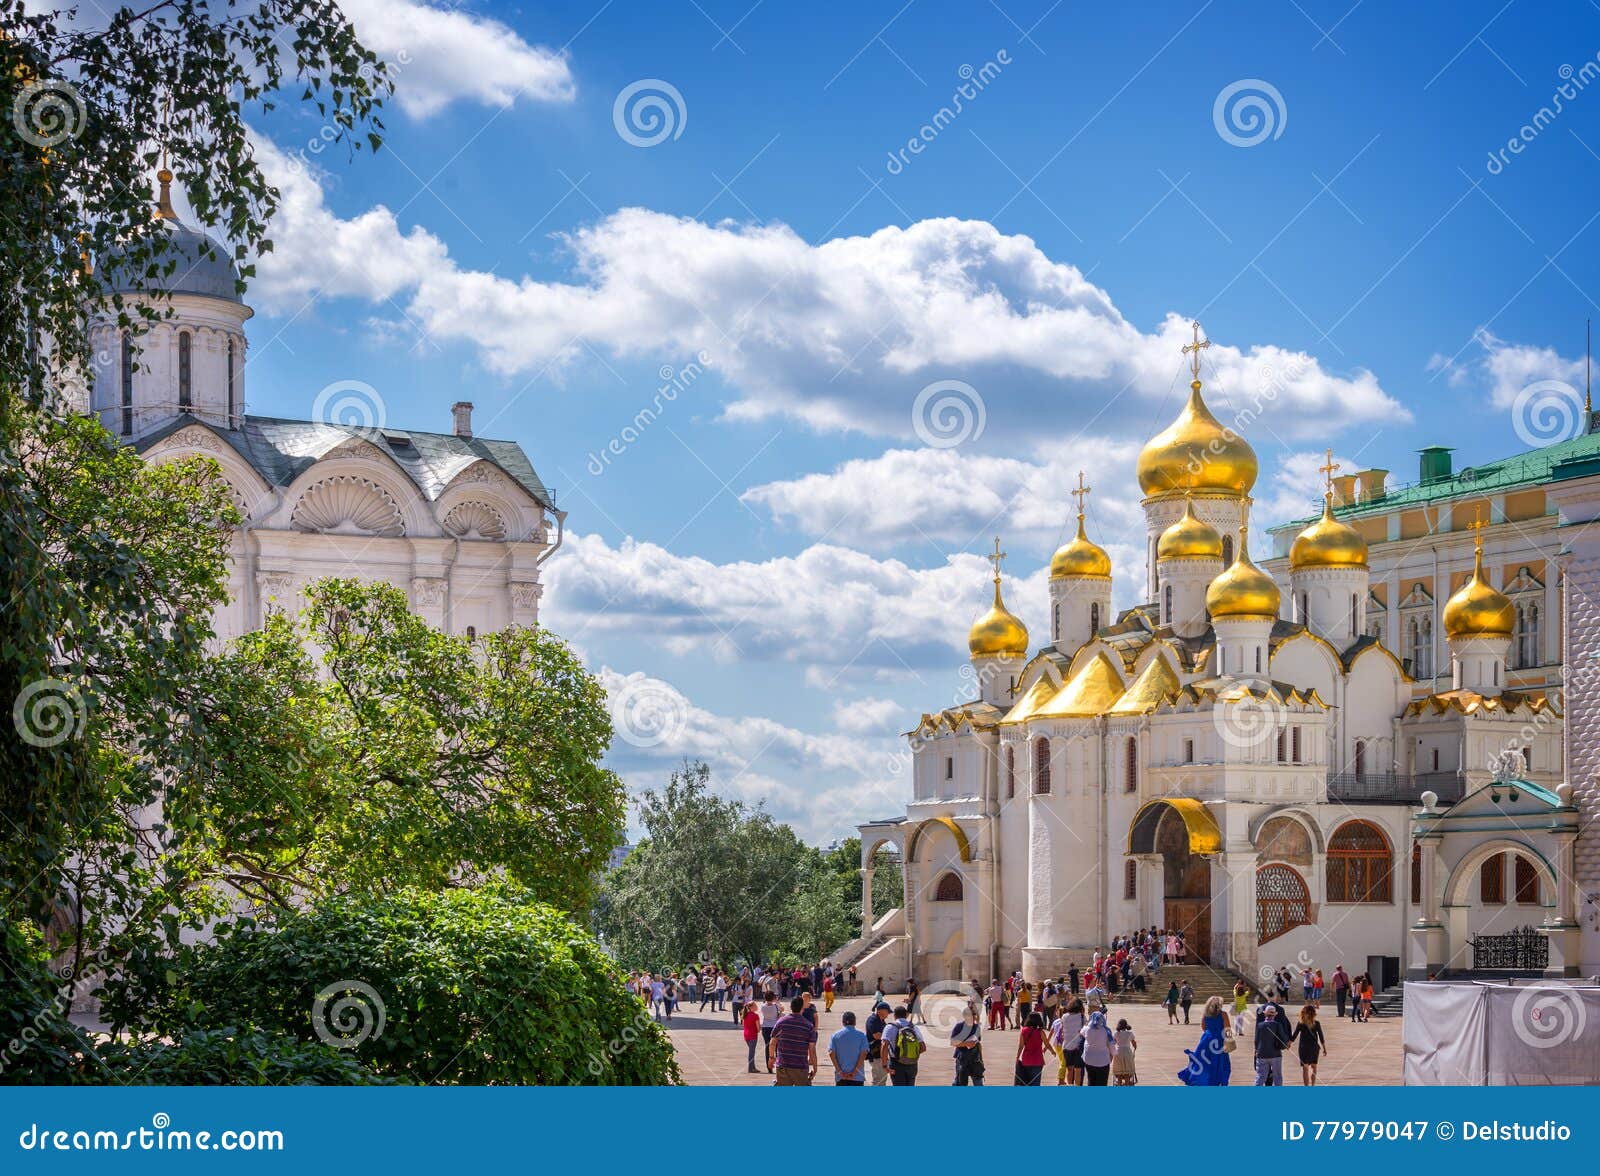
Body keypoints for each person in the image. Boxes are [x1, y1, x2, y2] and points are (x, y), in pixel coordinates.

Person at [1177, 995, 1232, 1086]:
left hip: (1206, 1040)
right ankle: (1218, 1080)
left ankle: (1204, 1080)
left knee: (1203, 1062)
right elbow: (1227, 1028)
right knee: (1221, 1063)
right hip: (1219, 1041)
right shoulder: (1223, 1014)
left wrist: (1210, 1033)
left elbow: (1203, 1027)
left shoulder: (1205, 1015)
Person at [768, 995, 818, 1086]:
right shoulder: (808, 1026)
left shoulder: (781, 1022)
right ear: (803, 1008)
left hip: (783, 1065)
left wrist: (771, 1058)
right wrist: (815, 1067)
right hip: (800, 1066)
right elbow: (812, 1049)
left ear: (791, 1007)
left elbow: (772, 1042)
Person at [882, 1005, 926, 1086]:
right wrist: (910, 1054)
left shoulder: (890, 1027)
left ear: (894, 1015)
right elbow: (923, 1048)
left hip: (896, 1063)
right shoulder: (913, 1027)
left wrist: (884, 1065)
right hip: (912, 1064)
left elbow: (884, 1046)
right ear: (906, 1015)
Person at [1253, 1002, 1291, 1086]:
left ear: (1265, 1014)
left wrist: (1256, 1051)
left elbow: (1256, 1040)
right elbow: (1284, 1038)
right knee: (1277, 1077)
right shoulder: (1277, 1025)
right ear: (1275, 1015)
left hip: (1262, 1054)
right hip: (1275, 1054)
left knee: (1260, 1076)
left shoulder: (1260, 1025)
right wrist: (1286, 1043)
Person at [1051, 996, 1086, 1086]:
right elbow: (1084, 1031)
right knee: (1078, 1070)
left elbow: (1063, 1031)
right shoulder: (1082, 1017)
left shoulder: (1064, 1016)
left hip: (1066, 1046)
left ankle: (1070, 1085)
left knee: (1069, 1069)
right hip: (1078, 1046)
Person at [828, 1010, 870, 1086]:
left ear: (843, 1022)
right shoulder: (861, 1036)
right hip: (857, 1077)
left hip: (841, 1077)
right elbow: (864, 1053)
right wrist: (855, 1072)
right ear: (855, 1022)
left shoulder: (835, 1036)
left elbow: (831, 1053)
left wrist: (840, 1072)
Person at [1289, 1004, 1327, 1085]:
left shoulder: (1301, 1023)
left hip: (1303, 1048)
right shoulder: (1316, 1023)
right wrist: (1324, 1048)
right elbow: (1321, 1036)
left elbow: (1294, 1036)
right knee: (1314, 1067)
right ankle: (1313, 1085)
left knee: (1305, 1069)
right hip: (1314, 1048)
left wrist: (1289, 1044)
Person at [1079, 1009, 1116, 1086]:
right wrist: (1113, 1054)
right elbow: (1111, 1044)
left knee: (1091, 1080)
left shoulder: (1087, 1029)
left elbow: (1081, 1032)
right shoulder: (1106, 1031)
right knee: (1102, 1082)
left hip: (1089, 1059)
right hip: (1103, 1061)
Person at [951, 1006, 985, 1086]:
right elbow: (953, 1042)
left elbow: (978, 1043)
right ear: (965, 1016)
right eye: (970, 1015)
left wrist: (981, 1059)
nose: (973, 1017)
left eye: (974, 1014)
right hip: (962, 1058)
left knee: (978, 1082)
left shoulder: (976, 1027)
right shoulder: (959, 1026)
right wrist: (967, 1044)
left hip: (975, 1059)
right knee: (960, 1082)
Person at [1013, 1011, 1046, 1085]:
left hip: (1026, 1060)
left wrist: (1017, 1058)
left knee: (1025, 1082)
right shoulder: (1040, 1032)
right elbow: (1046, 1043)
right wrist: (1052, 1051)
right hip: (1038, 1060)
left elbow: (1021, 1047)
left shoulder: (1024, 1030)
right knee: (1036, 1083)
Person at [864, 1001, 891, 1086]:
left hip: (880, 1054)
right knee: (878, 1080)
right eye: (887, 1012)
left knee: (882, 1079)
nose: (888, 1014)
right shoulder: (873, 1020)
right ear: (881, 1011)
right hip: (876, 1054)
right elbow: (876, 1035)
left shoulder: (881, 1020)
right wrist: (889, 1038)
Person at [1111, 1018, 1138, 1086]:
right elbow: (1134, 1043)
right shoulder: (1130, 1033)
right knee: (1127, 1074)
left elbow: (1113, 1043)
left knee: (1119, 1074)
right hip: (1127, 1052)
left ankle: (1119, 1085)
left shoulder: (1116, 1033)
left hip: (1118, 1052)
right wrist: (1135, 1048)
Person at [741, 996, 762, 1073]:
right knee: (752, 1052)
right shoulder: (755, 1016)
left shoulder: (745, 1015)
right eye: (755, 1005)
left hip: (746, 1035)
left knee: (751, 1051)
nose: (757, 1007)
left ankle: (753, 1067)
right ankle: (750, 1068)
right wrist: (759, 1030)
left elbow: (743, 1025)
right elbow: (758, 1028)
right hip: (753, 1035)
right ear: (751, 1007)